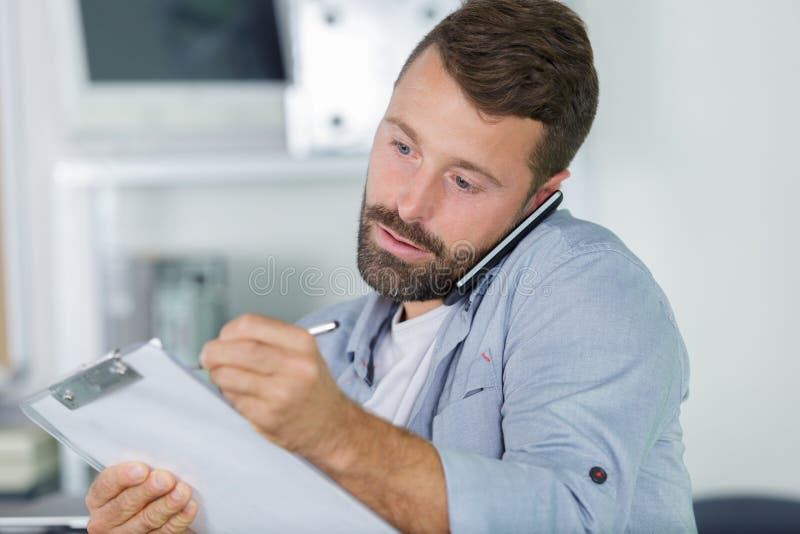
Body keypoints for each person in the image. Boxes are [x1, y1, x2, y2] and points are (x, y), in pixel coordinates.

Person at [83, 1, 696, 532]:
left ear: (539, 198)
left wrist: (335, 435)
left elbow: (574, 519)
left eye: (463, 180)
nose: (408, 203)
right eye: (403, 147)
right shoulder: (328, 346)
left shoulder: (589, 286)